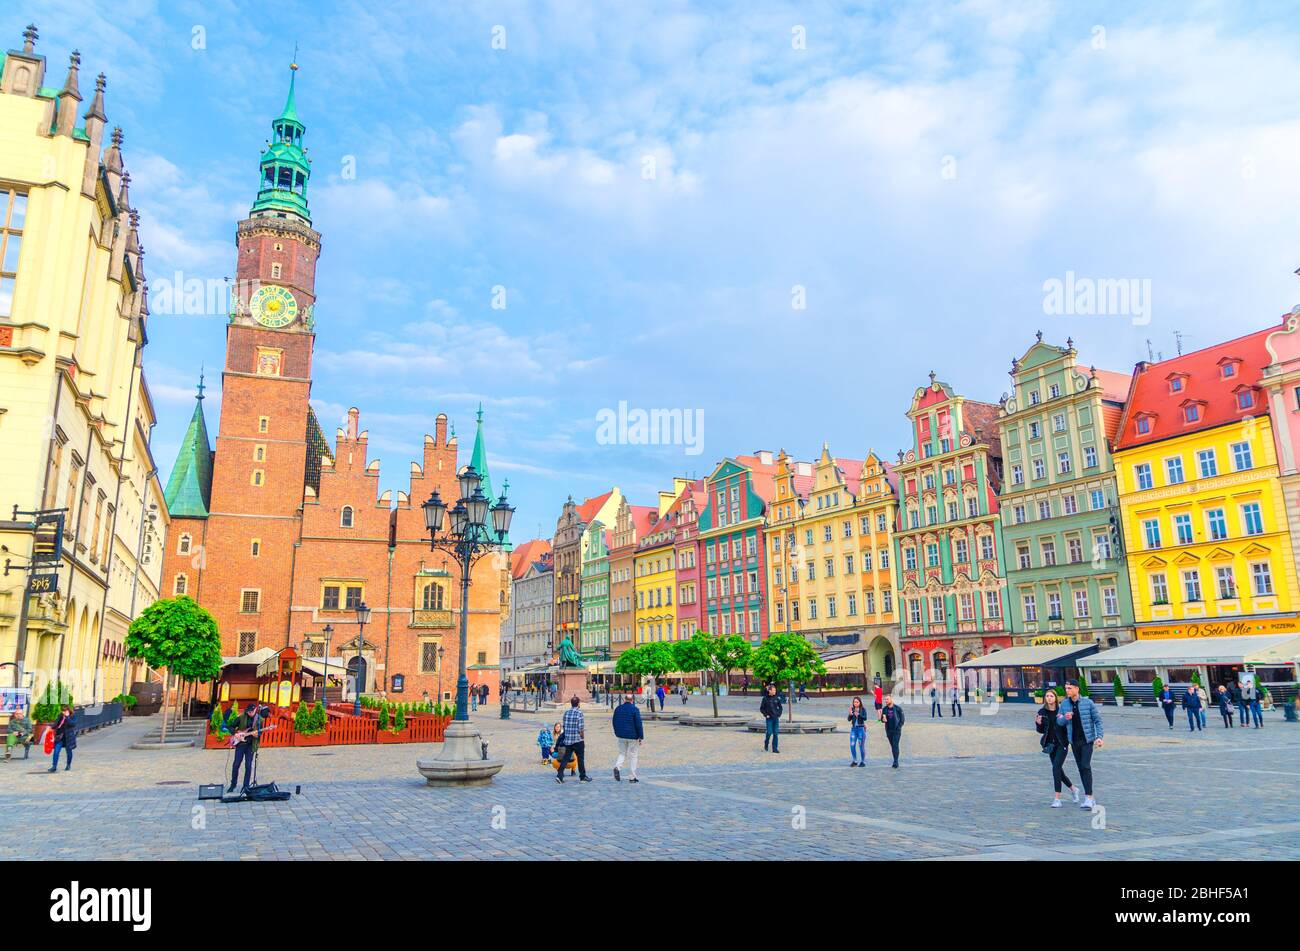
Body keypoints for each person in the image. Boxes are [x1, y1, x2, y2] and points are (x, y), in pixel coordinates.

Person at [1057, 680, 1103, 810]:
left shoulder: (1088, 703)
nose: (1067, 691)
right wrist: (1065, 718)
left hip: (1087, 740)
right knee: (1081, 769)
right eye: (1066, 688)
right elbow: (1059, 721)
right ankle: (1090, 798)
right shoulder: (1064, 704)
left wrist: (1099, 737)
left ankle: (1088, 797)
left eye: (1069, 688)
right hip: (1074, 741)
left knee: (1085, 766)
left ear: (1077, 689)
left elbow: (1098, 721)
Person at [1035, 689, 1078, 807]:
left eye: (1051, 696)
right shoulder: (1042, 711)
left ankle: (1057, 799)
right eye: (1047, 696)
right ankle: (1074, 789)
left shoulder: (1061, 710)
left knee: (1055, 768)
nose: (1049, 698)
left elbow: (1067, 726)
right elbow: (1041, 731)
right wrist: (1038, 724)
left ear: (1055, 698)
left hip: (1062, 743)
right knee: (1058, 770)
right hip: (1050, 745)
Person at [227, 703, 263, 792]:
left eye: (251, 711)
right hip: (240, 745)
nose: (250, 713)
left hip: (250, 745)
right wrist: (236, 734)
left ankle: (245, 786)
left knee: (248, 765)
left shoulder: (259, 720)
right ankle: (233, 784)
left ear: (255, 710)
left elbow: (260, 733)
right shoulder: (241, 717)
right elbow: (230, 726)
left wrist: (257, 735)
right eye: (248, 712)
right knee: (236, 765)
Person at [612, 692, 644, 783]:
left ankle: (617, 767)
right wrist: (640, 736)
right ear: (632, 700)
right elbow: (638, 724)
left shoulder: (618, 709)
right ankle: (632, 777)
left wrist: (617, 732)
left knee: (622, 753)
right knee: (633, 756)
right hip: (632, 736)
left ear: (624, 699)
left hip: (621, 735)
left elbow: (614, 721)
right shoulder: (635, 709)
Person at [556, 696, 590, 783]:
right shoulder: (579, 713)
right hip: (577, 740)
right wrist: (582, 737)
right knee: (580, 758)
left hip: (568, 740)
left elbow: (564, 726)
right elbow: (581, 728)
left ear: (571, 703)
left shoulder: (566, 713)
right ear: (578, 704)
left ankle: (559, 775)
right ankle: (582, 776)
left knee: (566, 758)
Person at [47, 704, 77, 773]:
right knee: (56, 751)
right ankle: (54, 766)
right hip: (60, 737)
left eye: (65, 710)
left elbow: (73, 724)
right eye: (62, 711)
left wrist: (67, 717)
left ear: (68, 710)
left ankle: (68, 765)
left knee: (69, 752)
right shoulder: (60, 715)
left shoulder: (72, 716)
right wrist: (50, 727)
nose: (63, 712)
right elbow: (56, 724)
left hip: (68, 737)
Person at [880, 695, 905, 768]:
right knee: (893, 746)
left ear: (891, 699)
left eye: (887, 699)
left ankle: (896, 761)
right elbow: (882, 719)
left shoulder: (898, 709)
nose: (886, 701)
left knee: (895, 745)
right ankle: (895, 759)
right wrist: (883, 720)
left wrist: (898, 727)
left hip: (896, 730)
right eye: (885, 700)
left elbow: (902, 720)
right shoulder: (884, 709)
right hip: (889, 730)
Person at [760, 683, 783, 753]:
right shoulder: (765, 699)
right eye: (773, 690)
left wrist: (779, 714)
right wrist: (765, 714)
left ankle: (775, 748)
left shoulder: (777, 698)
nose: (775, 691)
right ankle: (766, 743)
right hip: (769, 718)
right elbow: (761, 709)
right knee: (769, 732)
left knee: (776, 733)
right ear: (770, 691)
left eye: (775, 690)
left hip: (775, 718)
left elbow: (780, 708)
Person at [846, 697, 869, 767]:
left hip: (861, 729)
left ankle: (863, 761)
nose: (855, 703)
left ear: (860, 703)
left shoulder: (863, 709)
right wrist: (850, 714)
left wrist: (858, 714)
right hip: (853, 729)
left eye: (857, 702)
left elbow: (865, 718)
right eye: (854, 702)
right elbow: (849, 719)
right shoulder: (852, 710)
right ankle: (855, 761)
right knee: (852, 745)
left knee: (861, 746)